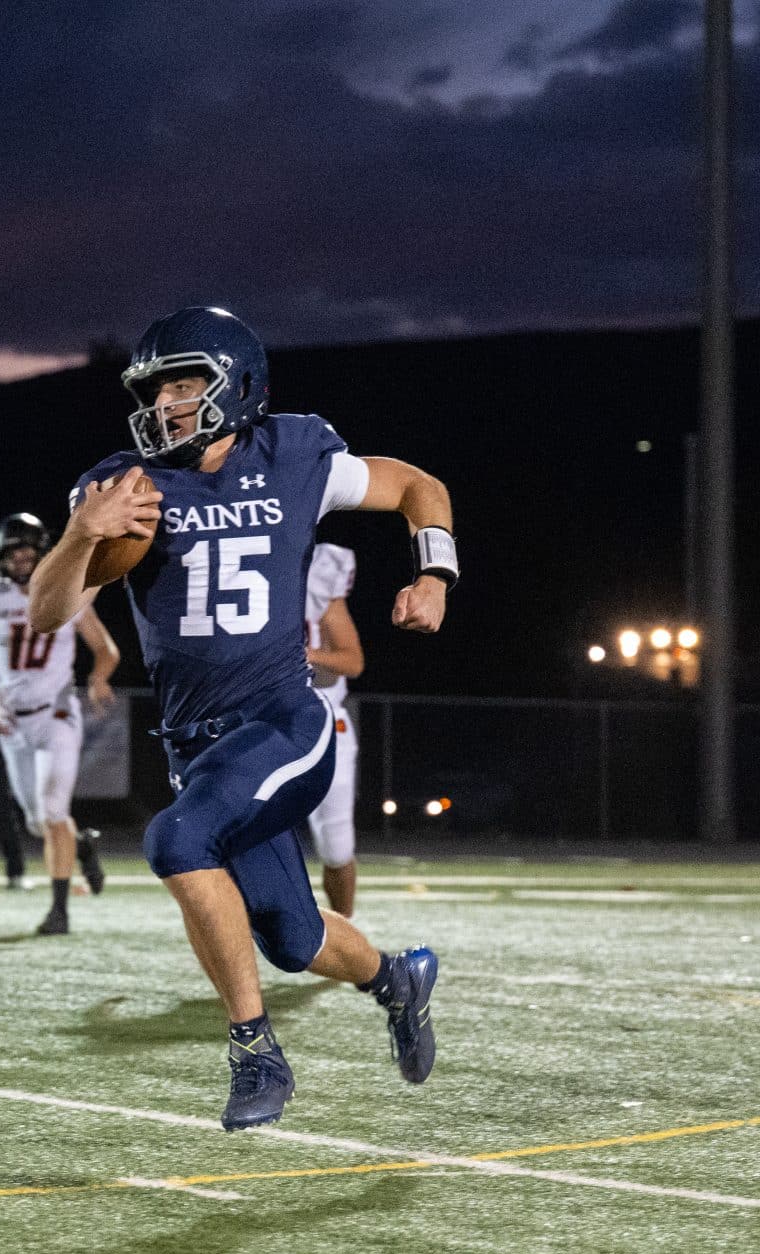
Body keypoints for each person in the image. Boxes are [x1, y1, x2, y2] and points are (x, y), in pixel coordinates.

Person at [28, 305, 455, 1130]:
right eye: (156, 390)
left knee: (176, 840)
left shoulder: (292, 452)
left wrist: (433, 573)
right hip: (201, 748)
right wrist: (81, 535)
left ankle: (255, 1048)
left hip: (287, 724)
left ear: (238, 384)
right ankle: (397, 978)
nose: (166, 405)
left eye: (184, 385)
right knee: (293, 940)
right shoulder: (129, 484)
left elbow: (416, 485)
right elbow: (49, 613)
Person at [0, 514, 113, 935]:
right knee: (37, 822)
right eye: (14, 552)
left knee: (51, 811)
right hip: (12, 722)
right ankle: (82, 844)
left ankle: (59, 910)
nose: (22, 559)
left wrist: (99, 677)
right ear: (0, 558)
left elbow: (105, 649)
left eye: (28, 550)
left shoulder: (67, 590)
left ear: (42, 552)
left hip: (57, 712)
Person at [303, 542, 365, 918]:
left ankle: (345, 933)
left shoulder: (317, 569)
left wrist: (302, 655)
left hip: (321, 716)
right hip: (255, 720)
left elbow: (351, 659)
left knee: (337, 845)